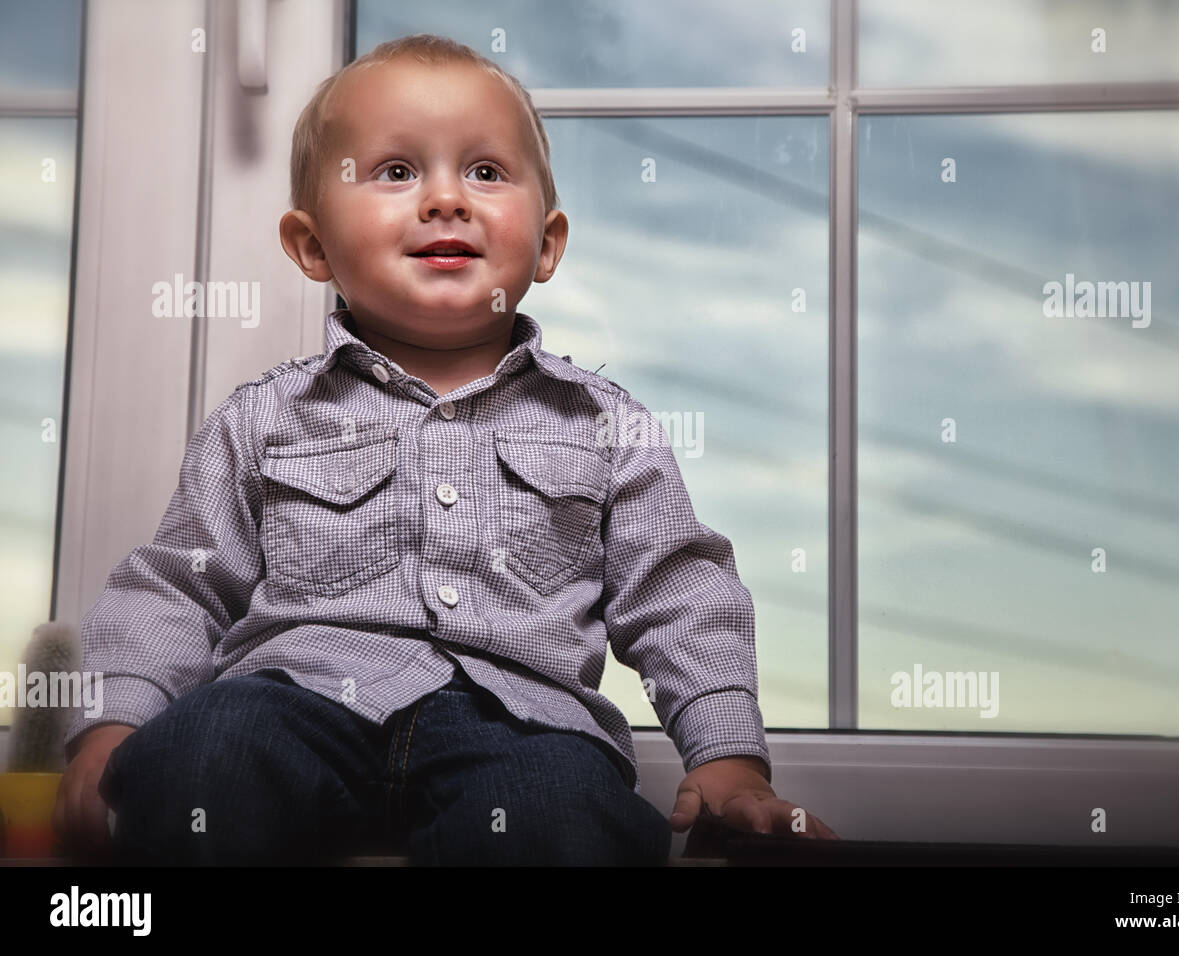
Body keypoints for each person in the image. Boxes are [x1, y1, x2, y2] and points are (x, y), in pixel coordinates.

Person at [52, 33, 838, 866]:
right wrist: (112, 722)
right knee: (197, 755)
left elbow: (681, 592)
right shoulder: (262, 419)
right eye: (395, 172)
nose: (446, 199)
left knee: (566, 814)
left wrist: (729, 759)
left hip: (527, 725)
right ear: (312, 245)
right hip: (291, 699)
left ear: (546, 243)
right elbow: (174, 586)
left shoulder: (608, 425)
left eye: (487, 172)